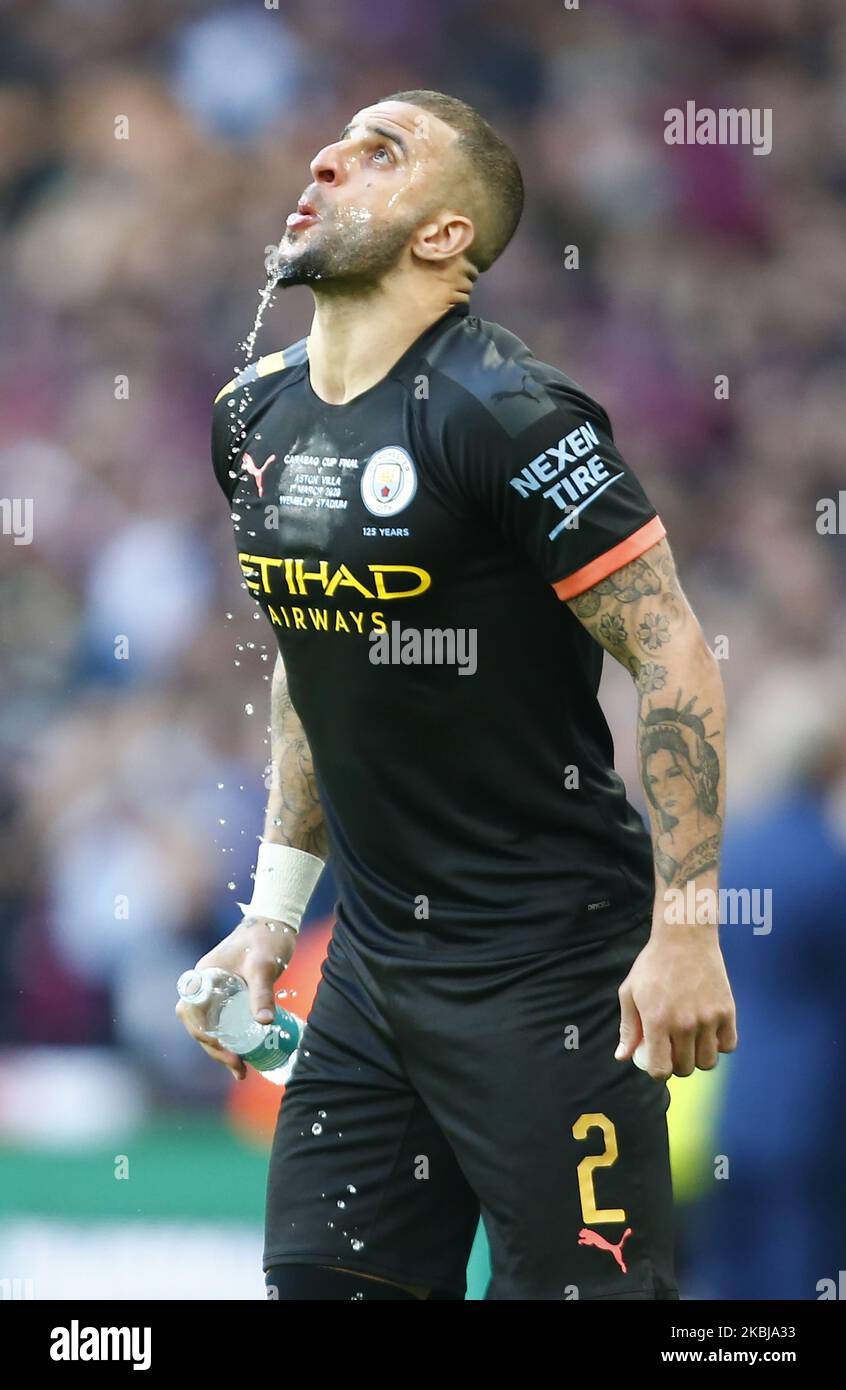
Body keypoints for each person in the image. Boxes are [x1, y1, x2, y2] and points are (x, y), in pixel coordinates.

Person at [177, 89, 736, 1301]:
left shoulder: (511, 414)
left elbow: (674, 650)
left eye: (381, 152)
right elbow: (312, 661)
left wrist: (686, 926)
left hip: (552, 974)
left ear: (442, 236)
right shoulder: (249, 415)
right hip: (373, 975)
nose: (326, 155)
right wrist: (275, 915)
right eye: (336, 140)